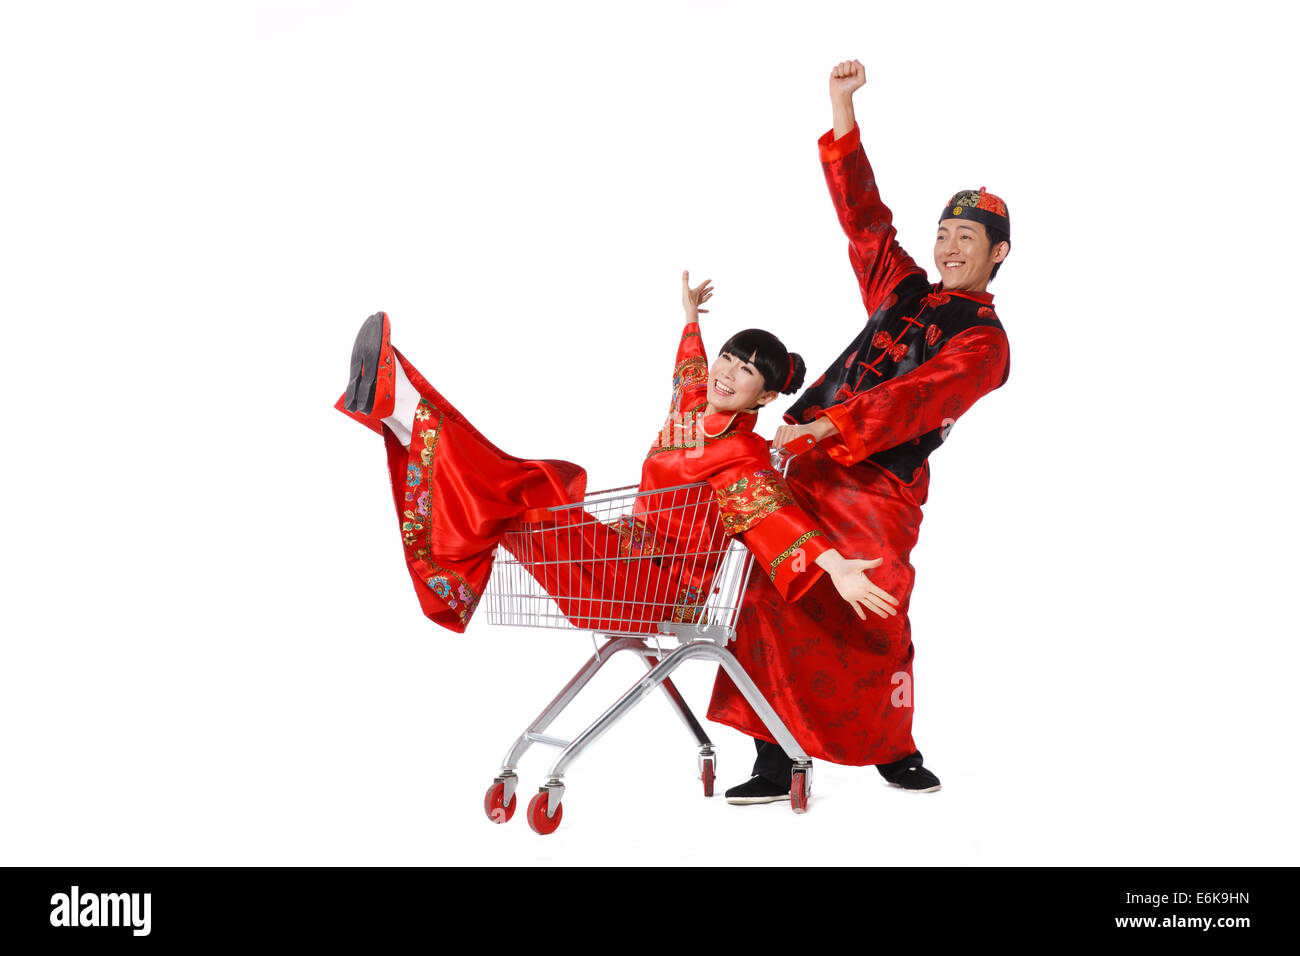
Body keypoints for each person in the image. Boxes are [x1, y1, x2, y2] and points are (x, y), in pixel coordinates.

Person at [708, 59, 1012, 803]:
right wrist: (842, 111)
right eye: (943, 233)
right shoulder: (903, 286)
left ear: (997, 253)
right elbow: (866, 222)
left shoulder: (986, 340)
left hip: (878, 486)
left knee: (875, 607)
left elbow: (920, 394)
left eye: (965, 237)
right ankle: (771, 758)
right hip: (807, 469)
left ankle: (890, 746)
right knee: (770, 596)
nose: (947, 247)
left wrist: (829, 426)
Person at [333, 270, 902, 639]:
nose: (728, 372)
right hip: (619, 557)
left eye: (747, 370)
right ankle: (400, 412)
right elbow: (690, 368)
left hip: (655, 589)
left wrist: (833, 564)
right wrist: (688, 319)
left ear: (769, 394)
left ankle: (402, 406)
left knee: (528, 489)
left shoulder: (744, 456)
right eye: (729, 356)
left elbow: (773, 516)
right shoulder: (694, 401)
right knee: (509, 499)